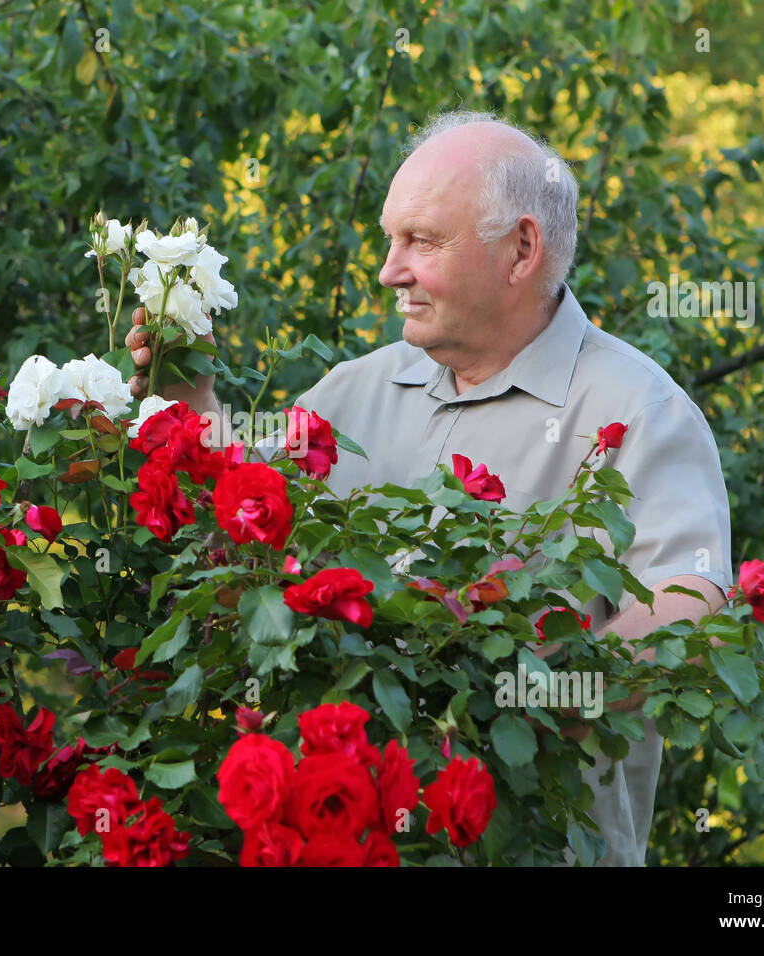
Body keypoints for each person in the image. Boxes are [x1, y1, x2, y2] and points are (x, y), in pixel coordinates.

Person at [126, 110, 733, 866]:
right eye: (390, 239)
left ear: (520, 250)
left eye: (422, 241)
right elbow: (243, 566)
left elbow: (692, 610)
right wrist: (196, 414)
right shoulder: (351, 393)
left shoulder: (638, 412)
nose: (389, 270)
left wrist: (510, 715)